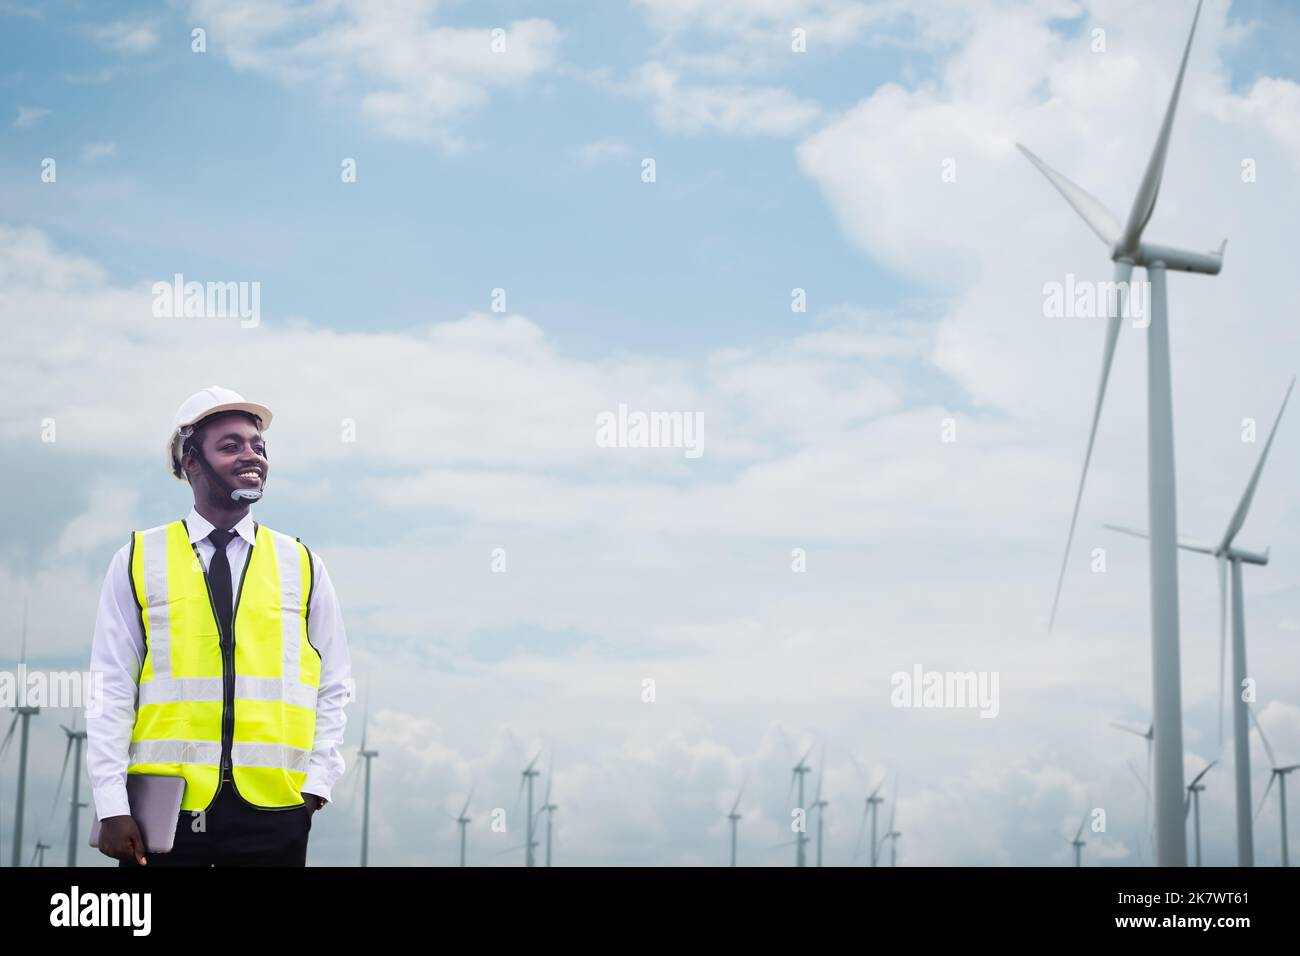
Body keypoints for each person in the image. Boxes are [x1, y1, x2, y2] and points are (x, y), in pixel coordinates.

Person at [86, 386, 352, 866]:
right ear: (190, 462)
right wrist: (111, 804)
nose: (252, 456)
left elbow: (334, 683)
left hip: (276, 811)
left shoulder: (303, 563)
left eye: (258, 446)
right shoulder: (137, 559)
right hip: (164, 812)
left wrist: (317, 786)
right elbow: (110, 686)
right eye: (231, 446)